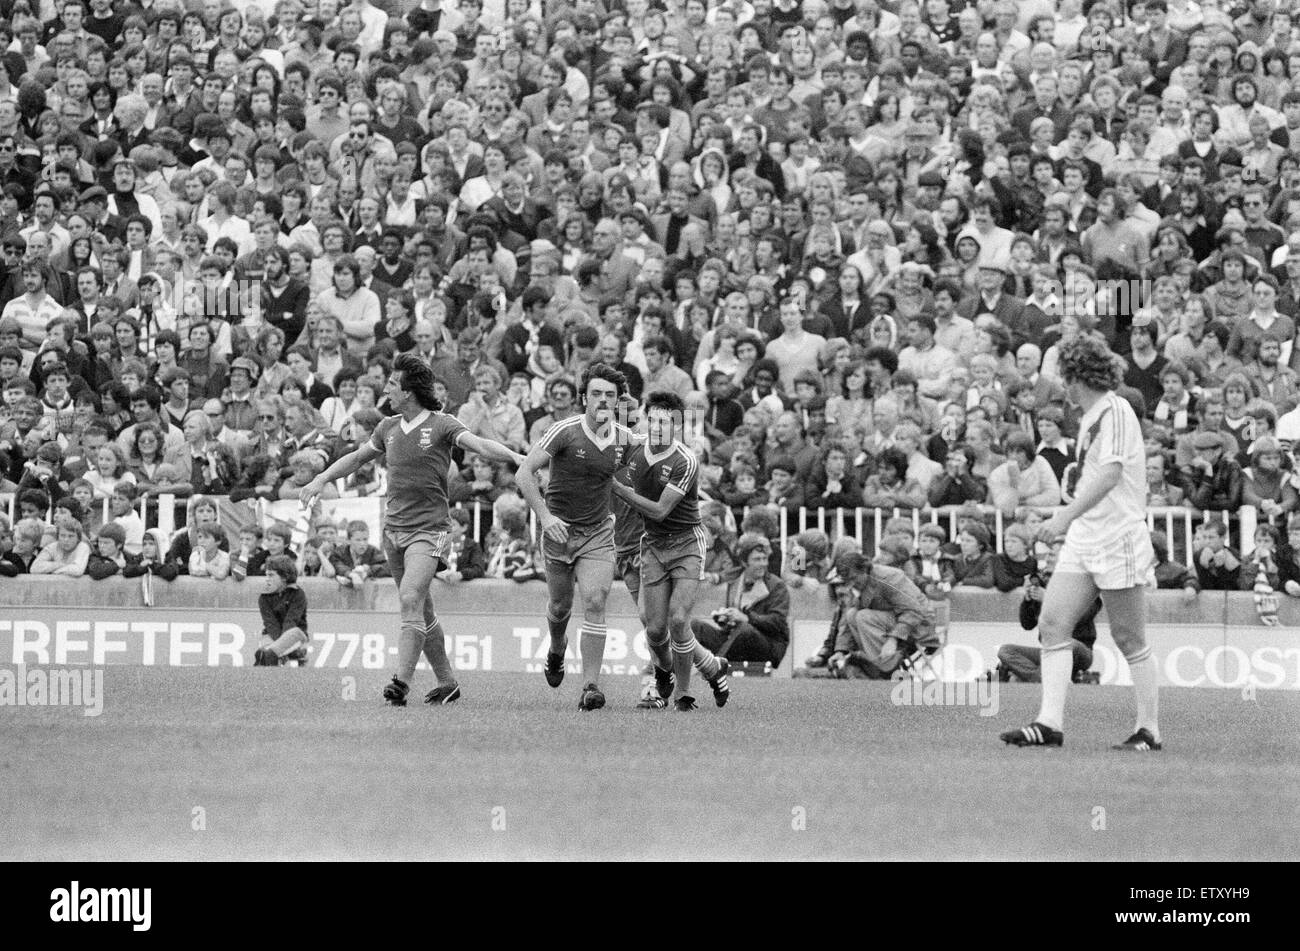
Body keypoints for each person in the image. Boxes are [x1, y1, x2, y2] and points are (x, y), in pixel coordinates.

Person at [299, 353, 523, 707]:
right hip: (394, 530)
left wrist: (517, 458)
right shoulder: (387, 427)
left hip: (430, 529)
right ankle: (447, 682)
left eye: (391, 384)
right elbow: (358, 458)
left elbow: (480, 445)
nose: (385, 389)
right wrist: (321, 478)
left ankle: (400, 682)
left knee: (408, 598)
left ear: (408, 391)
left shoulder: (442, 424)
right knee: (423, 610)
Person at [1001, 337, 1163, 751]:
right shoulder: (1092, 417)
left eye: (1066, 378)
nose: (1062, 388)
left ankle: (1149, 729)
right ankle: (1049, 723)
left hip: (1118, 537)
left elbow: (1110, 476)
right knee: (1052, 624)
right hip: (1086, 536)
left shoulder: (1116, 411)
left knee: (1129, 638)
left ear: (1079, 377)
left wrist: (1064, 516)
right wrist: (1068, 519)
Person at [515, 362, 635, 711]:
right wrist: (545, 516)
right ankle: (556, 648)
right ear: (584, 398)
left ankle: (591, 686)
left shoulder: (626, 439)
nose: (602, 399)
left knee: (596, 601)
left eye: (609, 395)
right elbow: (524, 473)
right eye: (596, 393)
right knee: (560, 606)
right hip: (559, 530)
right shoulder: (563, 430)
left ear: (617, 402)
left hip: (598, 532)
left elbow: (642, 473)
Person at [611, 391, 732, 711]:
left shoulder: (683, 459)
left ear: (675, 425)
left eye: (664, 422)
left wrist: (619, 489)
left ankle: (677, 691)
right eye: (651, 420)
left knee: (677, 620)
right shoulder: (628, 449)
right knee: (653, 627)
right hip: (642, 546)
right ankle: (704, 667)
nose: (655, 427)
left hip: (681, 543)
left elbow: (659, 511)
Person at [827, 549, 939, 678]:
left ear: (864, 570)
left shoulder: (890, 577)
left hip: (919, 626)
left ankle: (885, 669)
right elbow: (847, 622)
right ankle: (879, 666)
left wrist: (893, 641)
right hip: (895, 624)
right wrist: (841, 650)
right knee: (852, 614)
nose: (851, 584)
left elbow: (913, 611)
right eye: (848, 581)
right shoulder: (857, 584)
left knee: (863, 617)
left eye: (853, 578)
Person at [690, 533, 791, 667]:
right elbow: (735, 621)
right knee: (695, 626)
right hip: (736, 637)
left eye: (764, 559)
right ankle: (673, 671)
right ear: (744, 562)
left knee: (745, 630)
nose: (763, 564)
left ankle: (715, 668)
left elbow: (778, 623)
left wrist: (747, 618)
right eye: (757, 559)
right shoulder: (735, 582)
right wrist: (726, 619)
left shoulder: (777, 585)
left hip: (768, 643)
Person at [253, 554, 310, 666]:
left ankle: (279, 654)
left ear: (284, 577)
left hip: (295, 635)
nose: (267, 579)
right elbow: (270, 624)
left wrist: (280, 646)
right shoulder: (264, 597)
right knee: (263, 653)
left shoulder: (297, 594)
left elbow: (291, 622)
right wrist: (280, 646)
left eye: (271, 575)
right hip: (272, 634)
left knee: (273, 650)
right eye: (266, 575)